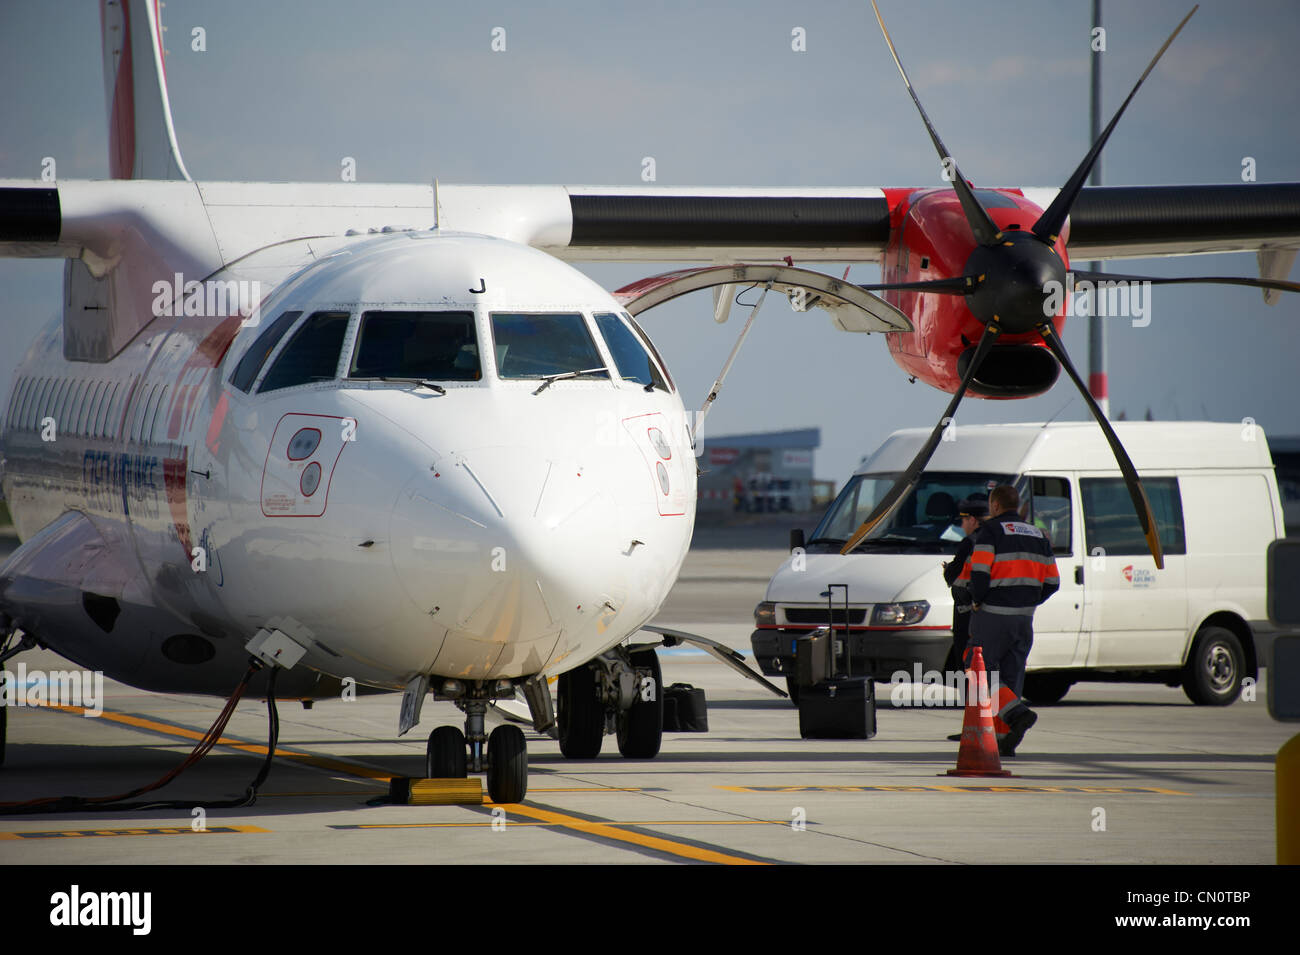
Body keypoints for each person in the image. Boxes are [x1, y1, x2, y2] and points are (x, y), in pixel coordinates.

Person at [967, 484, 1059, 756]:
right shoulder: (1039, 535)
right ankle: (1005, 740)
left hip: (993, 615)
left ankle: (1017, 714)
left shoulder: (990, 531)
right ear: (1017, 506)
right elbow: (1052, 583)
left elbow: (980, 573)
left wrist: (977, 600)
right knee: (1011, 675)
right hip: (1024, 617)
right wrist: (1028, 601)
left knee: (977, 670)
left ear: (995, 506)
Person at [942, 495, 989, 673]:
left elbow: (953, 577)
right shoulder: (997, 538)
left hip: (967, 614)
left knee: (967, 662)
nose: (962, 526)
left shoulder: (970, 542)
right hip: (994, 614)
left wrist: (948, 570)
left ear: (972, 520)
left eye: (963, 520)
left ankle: (971, 700)